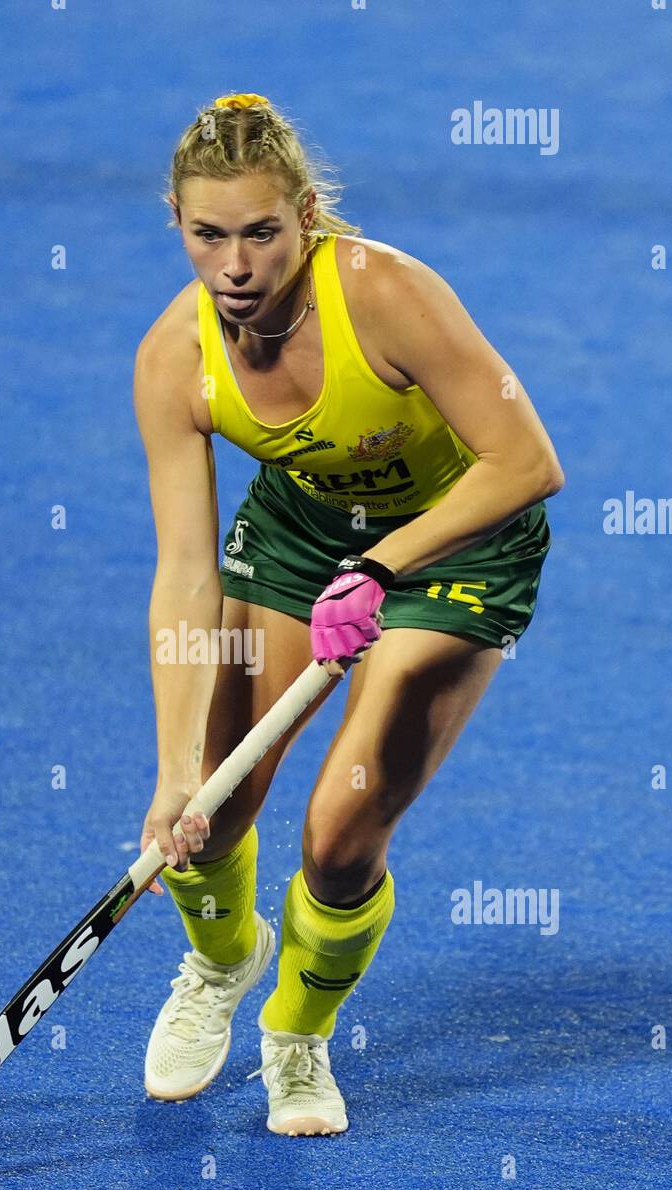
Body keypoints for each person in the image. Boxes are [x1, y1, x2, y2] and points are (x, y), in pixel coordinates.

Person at [134, 93, 563, 1136]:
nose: (234, 265)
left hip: (462, 543)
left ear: (308, 216)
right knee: (215, 806)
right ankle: (223, 957)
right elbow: (188, 571)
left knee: (338, 829)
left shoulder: (387, 295)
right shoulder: (170, 362)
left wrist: (379, 567)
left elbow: (527, 463)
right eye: (209, 235)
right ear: (178, 226)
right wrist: (174, 770)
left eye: (261, 232)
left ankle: (297, 1031)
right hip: (301, 535)